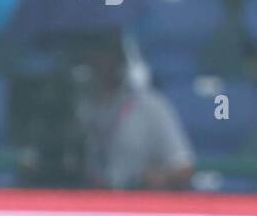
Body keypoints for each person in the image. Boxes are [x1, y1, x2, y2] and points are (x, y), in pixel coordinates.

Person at [77, 34, 195, 190]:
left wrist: (159, 176)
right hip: (84, 202)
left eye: (107, 55)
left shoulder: (149, 106)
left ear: (122, 59)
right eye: (95, 55)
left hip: (134, 203)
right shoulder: (78, 105)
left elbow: (184, 167)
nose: (100, 62)